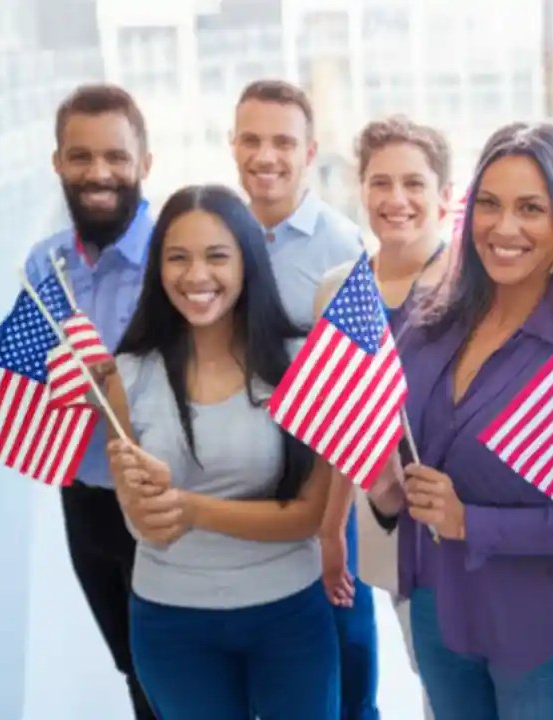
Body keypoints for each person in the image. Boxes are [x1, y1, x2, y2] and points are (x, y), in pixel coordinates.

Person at [364, 121, 553, 719]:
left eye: (530, 208)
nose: (504, 227)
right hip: (439, 610)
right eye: (489, 204)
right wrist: (387, 497)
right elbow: (406, 464)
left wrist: (473, 522)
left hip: (541, 630)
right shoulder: (429, 321)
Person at [106, 184, 339, 719]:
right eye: (177, 258)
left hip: (289, 616)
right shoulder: (129, 375)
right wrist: (144, 499)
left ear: (247, 262)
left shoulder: (302, 363)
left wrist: (189, 506)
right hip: (171, 623)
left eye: (217, 256)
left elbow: (308, 517)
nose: (196, 277)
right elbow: (147, 528)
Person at [230, 78, 376, 719]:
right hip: (239, 483)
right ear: (232, 145)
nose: (267, 156)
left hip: (322, 486)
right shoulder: (217, 239)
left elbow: (355, 402)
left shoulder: (342, 250)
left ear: (310, 150)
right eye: (253, 140)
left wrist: (331, 523)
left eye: (283, 141)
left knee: (346, 662)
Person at [22, 83, 157, 720]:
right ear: (58, 163)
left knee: (179, 669)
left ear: (145, 163)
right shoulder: (41, 265)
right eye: (80, 157)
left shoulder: (179, 257)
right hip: (82, 499)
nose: (98, 173)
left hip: (165, 501)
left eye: (115, 156)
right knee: (132, 665)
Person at [316, 115, 455, 720]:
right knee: (424, 663)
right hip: (384, 523)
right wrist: (330, 529)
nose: (396, 199)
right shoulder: (337, 290)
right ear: (361, 191)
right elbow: (337, 422)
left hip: (458, 518)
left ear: (445, 196)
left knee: (457, 673)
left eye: (414, 183)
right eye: (380, 183)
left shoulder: (472, 284)